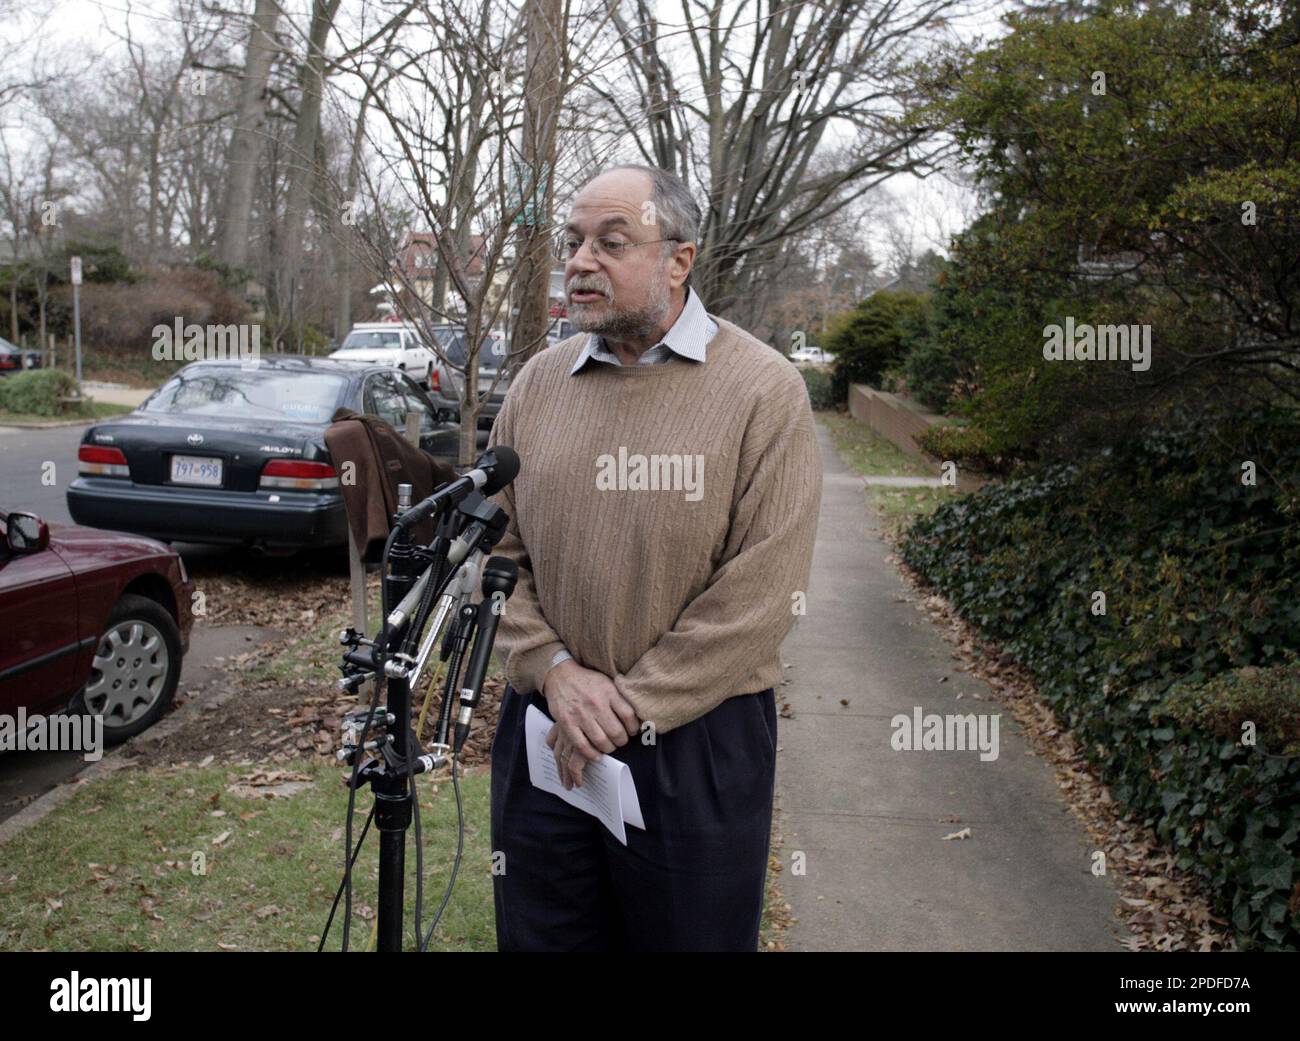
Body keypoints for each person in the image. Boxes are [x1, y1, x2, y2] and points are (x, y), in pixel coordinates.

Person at [485, 164, 822, 951]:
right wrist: (557, 673)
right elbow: (494, 551)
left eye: (611, 242)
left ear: (679, 259)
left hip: (696, 744)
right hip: (547, 729)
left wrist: (624, 708)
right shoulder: (537, 386)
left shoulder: (763, 391)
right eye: (572, 242)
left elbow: (761, 593)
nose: (579, 262)